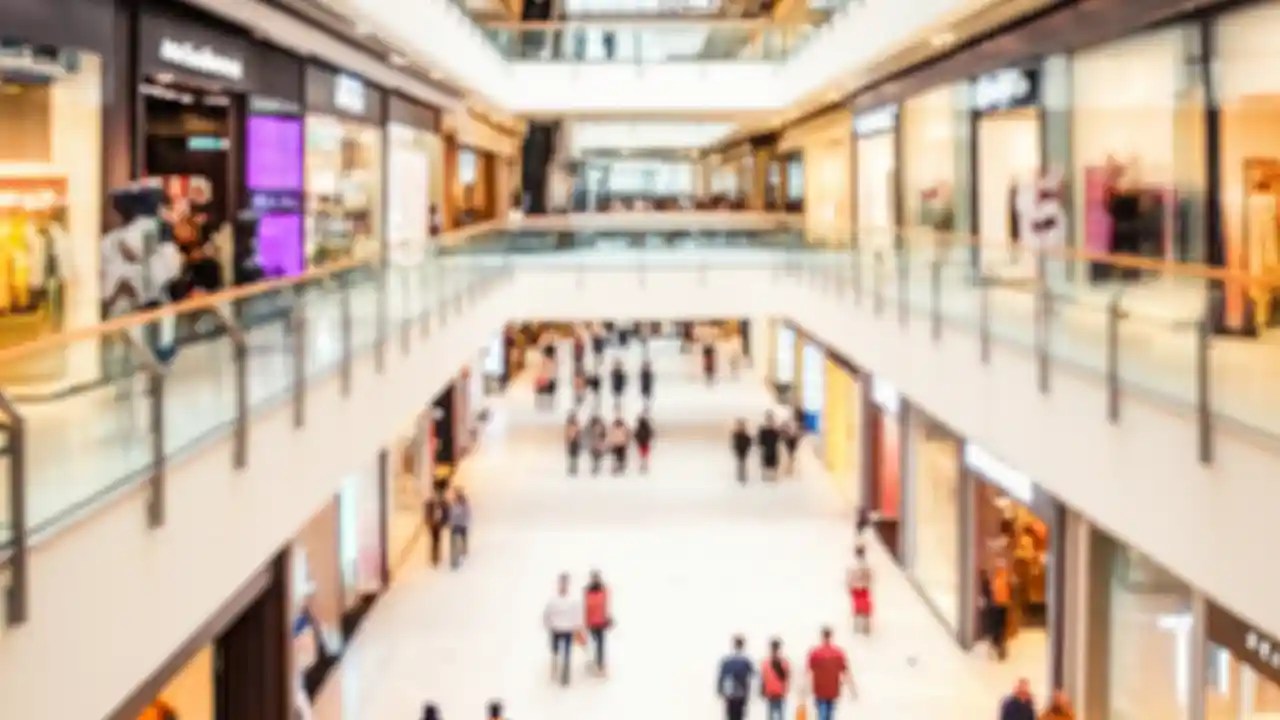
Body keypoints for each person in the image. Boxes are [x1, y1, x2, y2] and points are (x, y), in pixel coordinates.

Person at [543, 573, 583, 686]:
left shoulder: (573, 601)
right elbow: (547, 614)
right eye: (561, 583)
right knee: (555, 650)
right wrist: (548, 625)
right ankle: (555, 667)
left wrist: (577, 627)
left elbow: (577, 615)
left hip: (567, 630)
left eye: (565, 584)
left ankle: (565, 676)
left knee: (567, 653)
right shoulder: (552, 601)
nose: (563, 586)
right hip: (556, 630)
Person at [807, 626, 854, 720]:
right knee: (830, 715)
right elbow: (845, 670)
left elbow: (809, 670)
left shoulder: (815, 653)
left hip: (820, 690)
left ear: (822, 636)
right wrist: (852, 688)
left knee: (822, 714)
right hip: (833, 690)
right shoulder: (838, 653)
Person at [717, 635, 755, 720]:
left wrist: (720, 690)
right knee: (739, 716)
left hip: (729, 693)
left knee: (730, 716)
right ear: (742, 646)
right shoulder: (745, 661)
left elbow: (721, 677)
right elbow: (753, 676)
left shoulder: (727, 660)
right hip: (741, 693)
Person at [584, 570, 611, 674]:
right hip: (592, 623)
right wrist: (586, 622)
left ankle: (600, 665)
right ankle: (596, 662)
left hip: (601, 622)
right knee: (594, 643)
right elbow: (586, 607)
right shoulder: (588, 591)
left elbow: (607, 605)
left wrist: (608, 617)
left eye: (597, 577)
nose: (595, 579)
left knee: (600, 644)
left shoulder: (603, 590)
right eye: (594, 578)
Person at [761, 638, 790, 720]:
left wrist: (763, 691)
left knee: (771, 715)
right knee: (779, 715)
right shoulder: (783, 662)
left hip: (771, 692)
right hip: (779, 692)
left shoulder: (766, 662)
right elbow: (786, 677)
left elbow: (764, 678)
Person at [847, 544, 873, 634]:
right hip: (864, 588)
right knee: (866, 607)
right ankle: (866, 627)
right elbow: (869, 577)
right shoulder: (867, 565)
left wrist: (850, 586)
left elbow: (850, 578)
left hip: (856, 588)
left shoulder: (852, 565)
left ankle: (857, 627)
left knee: (857, 607)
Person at [424, 491, 449, 567]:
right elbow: (427, 513)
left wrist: (444, 523)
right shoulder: (430, 504)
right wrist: (428, 522)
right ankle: (434, 557)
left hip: (439, 525)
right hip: (432, 525)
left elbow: (446, 513)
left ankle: (437, 557)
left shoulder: (443, 503)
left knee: (437, 541)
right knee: (433, 541)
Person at [448, 488, 471, 569]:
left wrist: (464, 522)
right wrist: (450, 522)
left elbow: (467, 513)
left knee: (459, 541)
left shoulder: (464, 503)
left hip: (461, 525)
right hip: (454, 525)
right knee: (454, 543)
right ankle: (454, 561)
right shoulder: (453, 503)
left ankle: (460, 555)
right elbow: (450, 513)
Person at [757, 412, 781, 481]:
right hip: (766, 454)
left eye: (771, 420)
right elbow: (760, 443)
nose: (770, 422)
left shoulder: (776, 432)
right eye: (768, 420)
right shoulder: (763, 431)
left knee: (772, 474)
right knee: (766, 474)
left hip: (773, 455)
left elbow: (778, 441)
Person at [731, 419, 752, 484]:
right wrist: (736, 450)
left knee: (743, 464)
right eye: (740, 425)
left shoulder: (746, 435)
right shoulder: (735, 435)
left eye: (742, 425)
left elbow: (749, 443)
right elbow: (734, 444)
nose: (741, 427)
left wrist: (747, 449)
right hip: (739, 452)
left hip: (744, 452)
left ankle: (743, 477)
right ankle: (740, 478)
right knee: (740, 464)